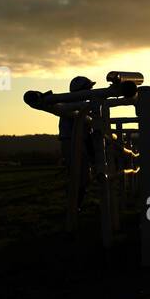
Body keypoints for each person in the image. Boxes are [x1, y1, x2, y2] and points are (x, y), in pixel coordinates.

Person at [58, 76, 97, 209]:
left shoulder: (75, 105)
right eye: (89, 89)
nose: (91, 91)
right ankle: (73, 207)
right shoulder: (73, 105)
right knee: (79, 177)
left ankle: (74, 207)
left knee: (81, 177)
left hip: (75, 141)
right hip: (73, 142)